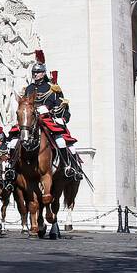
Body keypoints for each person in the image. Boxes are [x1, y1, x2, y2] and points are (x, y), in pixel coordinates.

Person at [22, 51, 83, 180]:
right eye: (33, 73)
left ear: (43, 73)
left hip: (46, 119)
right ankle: (11, 167)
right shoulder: (29, 88)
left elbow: (61, 106)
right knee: (15, 140)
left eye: (37, 72)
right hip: (31, 120)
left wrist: (56, 115)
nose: (35, 75)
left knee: (60, 140)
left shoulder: (52, 88)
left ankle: (67, 166)